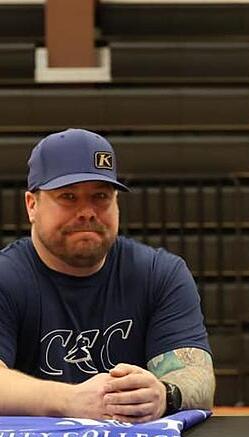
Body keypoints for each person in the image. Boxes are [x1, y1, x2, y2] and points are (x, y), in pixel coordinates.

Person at [0, 128, 214, 422]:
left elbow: (197, 374)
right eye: (68, 197)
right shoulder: (7, 277)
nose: (87, 211)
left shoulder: (159, 274)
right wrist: (70, 401)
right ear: (32, 205)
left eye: (100, 196)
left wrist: (165, 393)